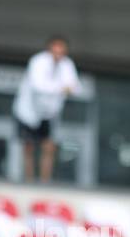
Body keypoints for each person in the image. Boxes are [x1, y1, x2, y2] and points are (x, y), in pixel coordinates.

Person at [12, 36, 81, 183]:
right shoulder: (38, 61)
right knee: (29, 147)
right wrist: (62, 88)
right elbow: (39, 86)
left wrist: (65, 88)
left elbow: (76, 87)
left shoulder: (67, 65)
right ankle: (28, 181)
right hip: (28, 112)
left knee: (49, 147)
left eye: (61, 51)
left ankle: (45, 182)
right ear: (49, 49)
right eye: (55, 50)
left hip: (50, 113)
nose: (58, 55)